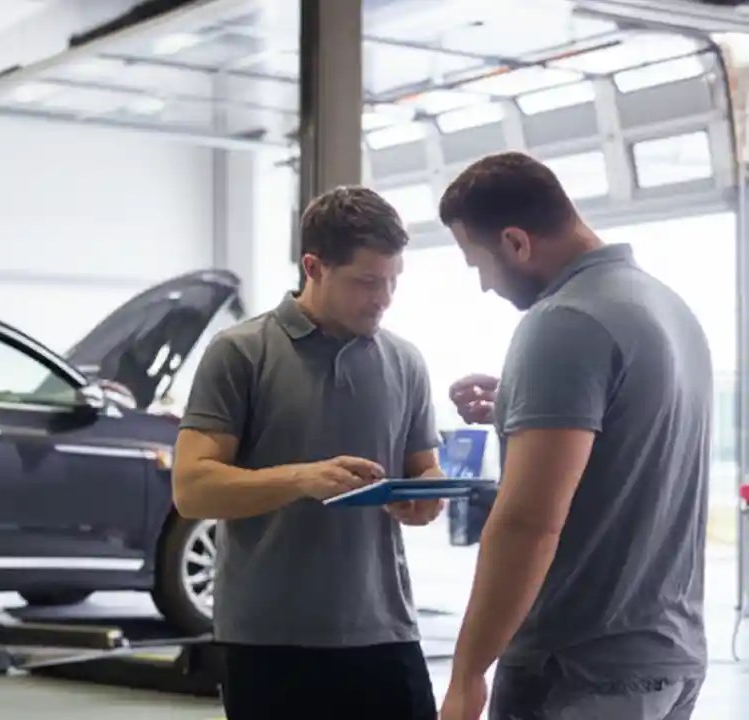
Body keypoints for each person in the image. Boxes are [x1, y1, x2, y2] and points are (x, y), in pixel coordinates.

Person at [435, 151, 711, 720]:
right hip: (667, 661)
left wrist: (466, 675)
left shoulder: (563, 320)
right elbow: (628, 445)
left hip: (578, 669)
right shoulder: (664, 306)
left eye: (478, 263)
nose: (485, 285)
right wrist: (519, 408)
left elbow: (527, 524)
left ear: (516, 242)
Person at [171, 185, 446, 720]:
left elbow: (423, 468)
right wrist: (300, 479)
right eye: (366, 282)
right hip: (271, 642)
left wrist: (427, 497)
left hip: (385, 632)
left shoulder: (406, 361)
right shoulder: (241, 353)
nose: (382, 298)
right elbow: (191, 488)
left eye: (392, 281)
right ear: (313, 266)